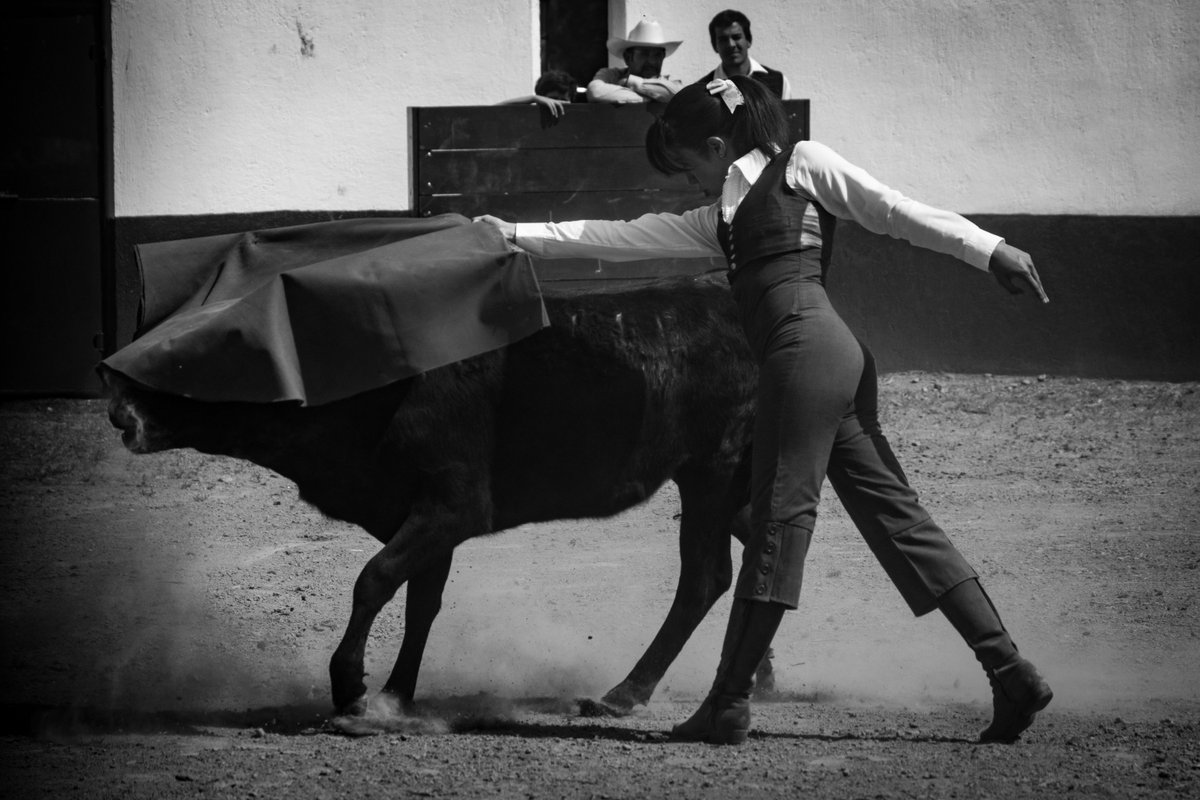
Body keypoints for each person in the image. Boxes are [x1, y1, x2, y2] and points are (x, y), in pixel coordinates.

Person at [476, 75, 1053, 746]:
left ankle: (725, 705)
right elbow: (619, 237)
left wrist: (989, 250)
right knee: (898, 520)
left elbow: (891, 209)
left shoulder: (802, 163)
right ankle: (1010, 671)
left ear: (718, 145)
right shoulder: (719, 218)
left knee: (779, 522)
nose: (687, 178)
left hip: (803, 357)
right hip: (826, 359)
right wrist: (512, 233)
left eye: (690, 162)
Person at [696, 9, 792, 99]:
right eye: (723, 39)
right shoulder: (703, 90)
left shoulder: (778, 82)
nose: (731, 44)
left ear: (748, 40)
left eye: (736, 37)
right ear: (714, 46)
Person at [588, 18, 683, 104]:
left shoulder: (672, 85)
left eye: (657, 55)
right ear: (627, 58)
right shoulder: (610, 75)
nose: (652, 61)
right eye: (644, 54)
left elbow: (679, 95)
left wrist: (630, 82)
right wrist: (653, 98)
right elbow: (595, 91)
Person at [498, 69, 578, 118]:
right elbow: (489, 112)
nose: (557, 103)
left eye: (563, 100)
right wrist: (533, 98)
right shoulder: (531, 115)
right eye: (553, 99)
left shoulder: (576, 117)